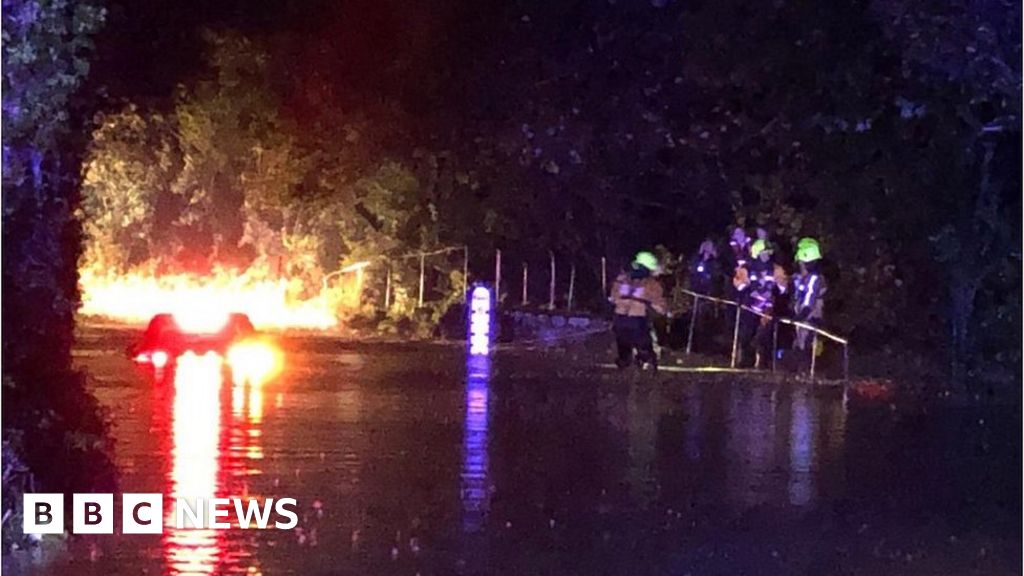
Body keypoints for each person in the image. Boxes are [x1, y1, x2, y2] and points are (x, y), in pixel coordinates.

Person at [610, 251, 667, 370]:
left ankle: (625, 360)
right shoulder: (651, 284)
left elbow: (613, 297)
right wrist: (664, 311)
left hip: (619, 318)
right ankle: (643, 358)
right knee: (644, 343)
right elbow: (659, 305)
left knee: (623, 344)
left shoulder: (622, 279)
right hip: (637, 319)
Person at [791, 237, 827, 356]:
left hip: (810, 317)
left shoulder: (814, 278)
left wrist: (803, 314)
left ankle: (805, 371)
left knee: (806, 345)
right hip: (802, 317)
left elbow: (809, 299)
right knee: (799, 343)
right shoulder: (800, 278)